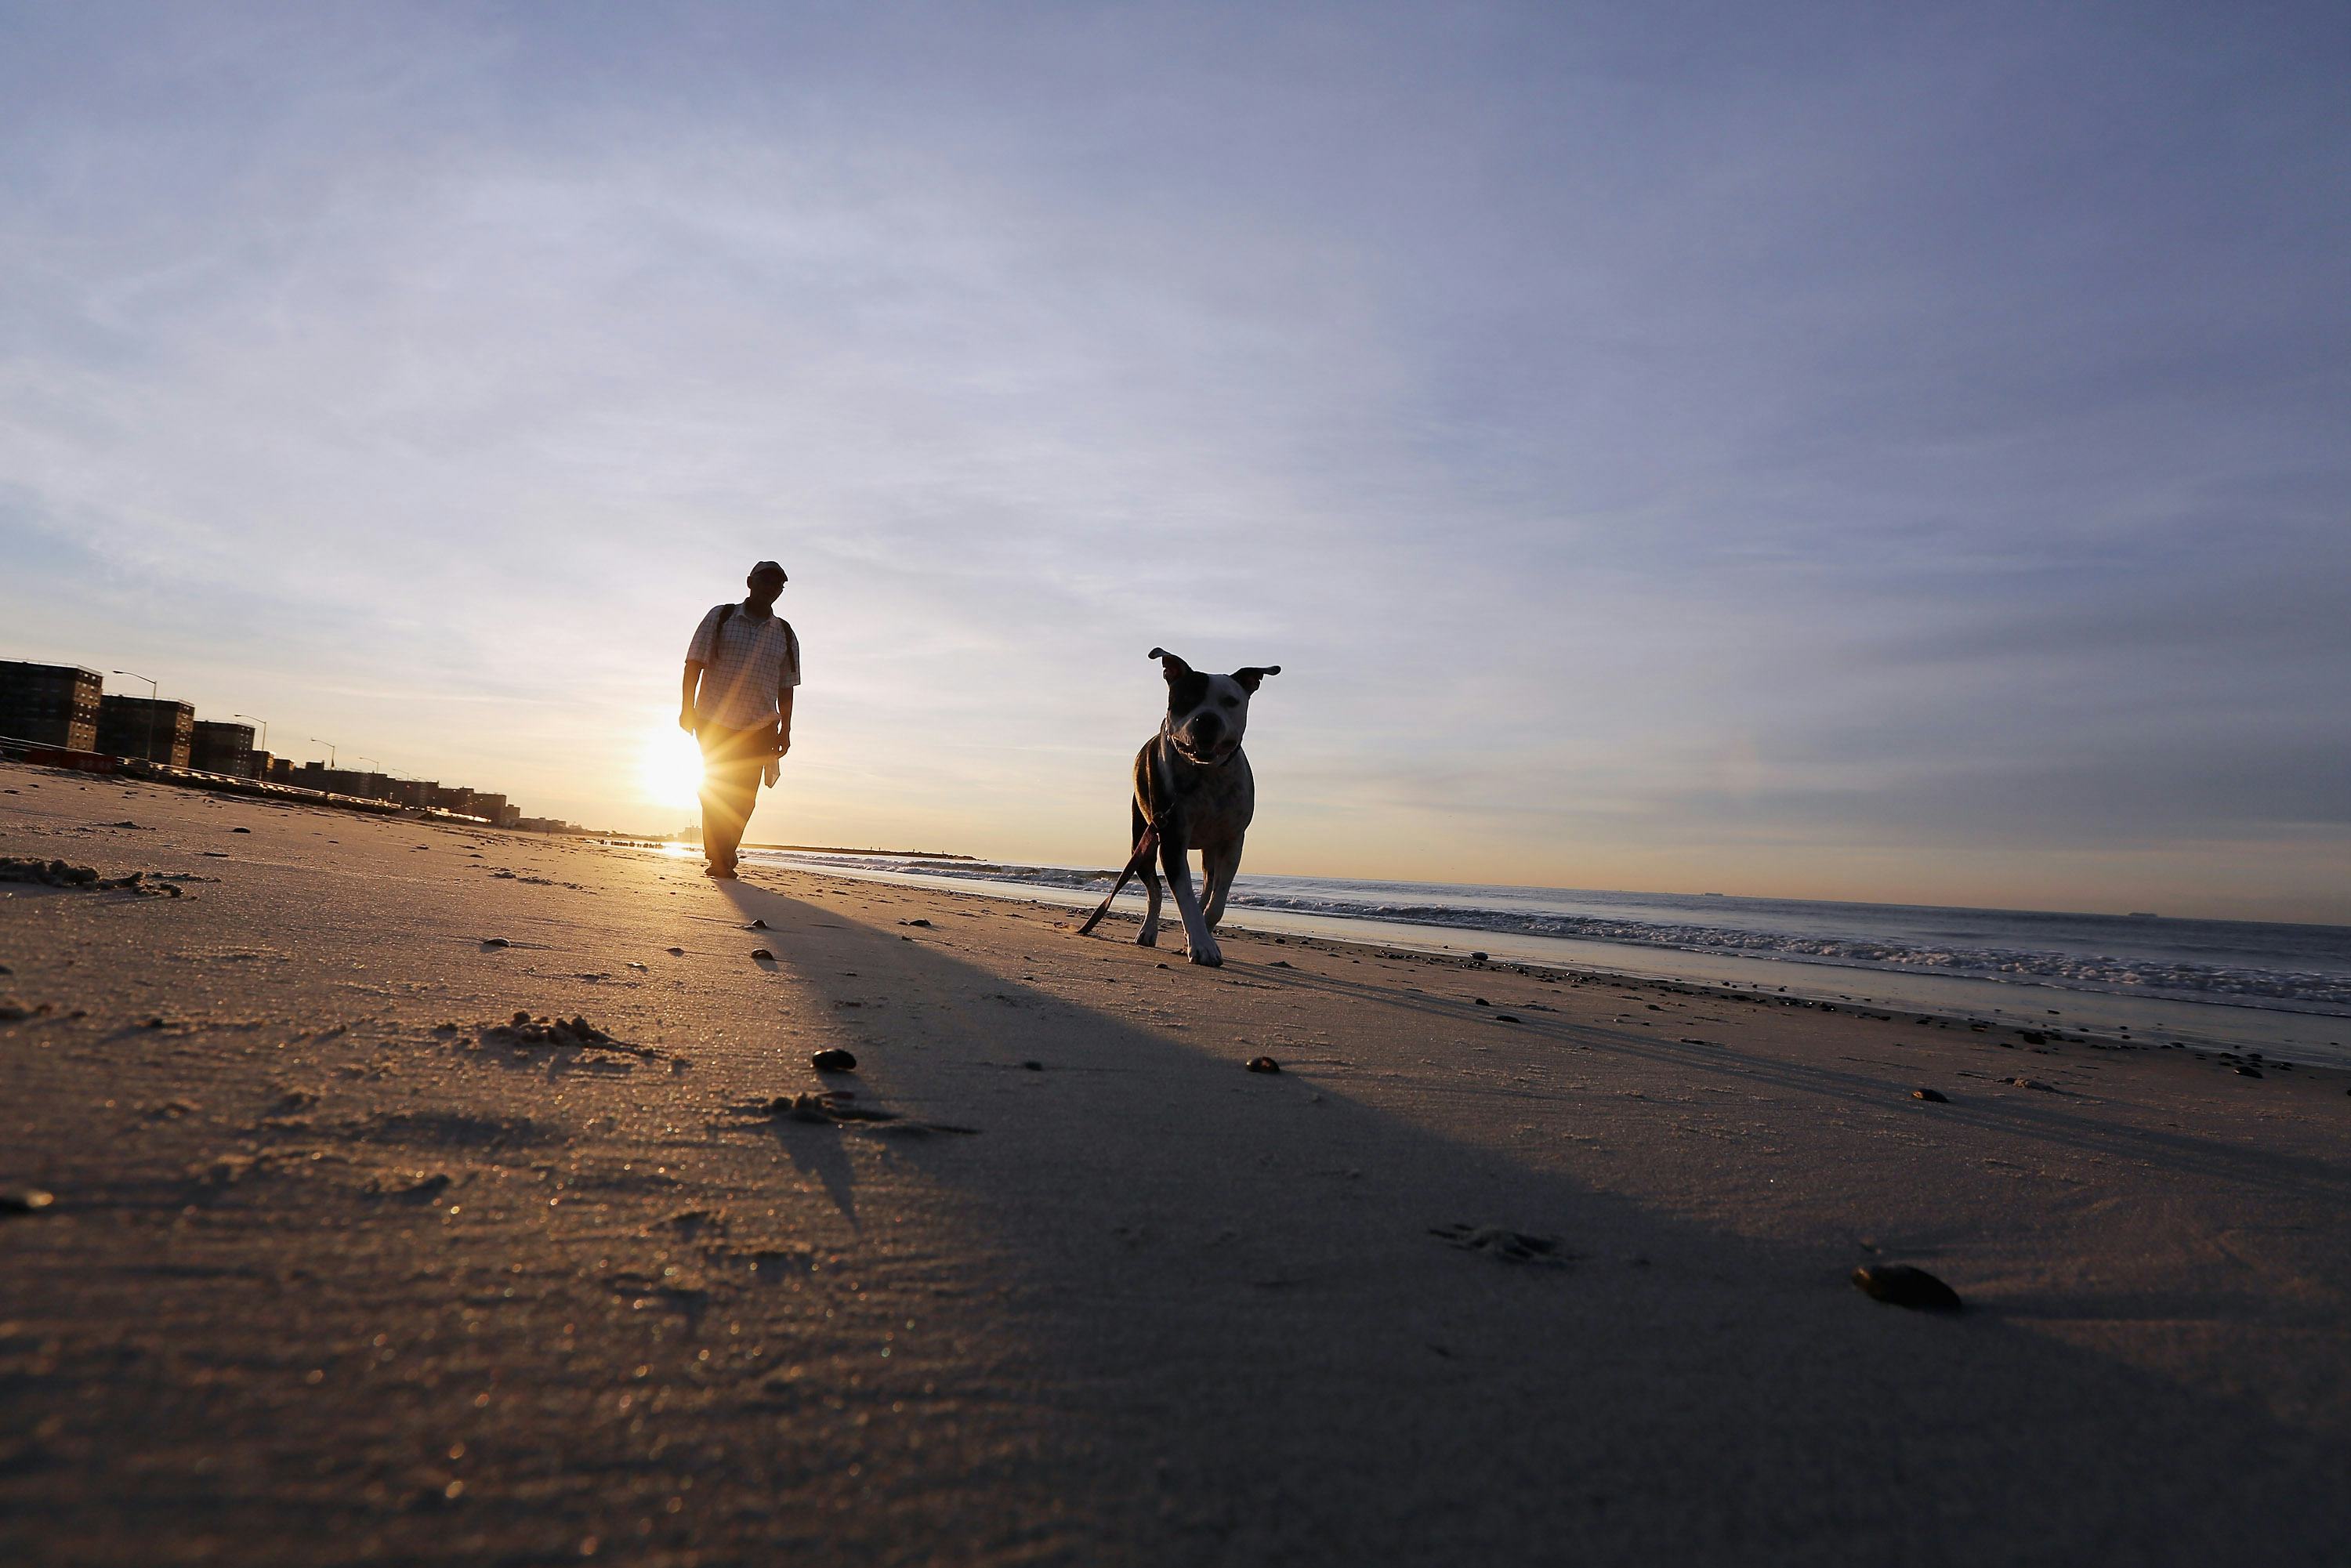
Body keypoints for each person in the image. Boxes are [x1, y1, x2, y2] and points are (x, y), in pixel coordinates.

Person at [679, 560, 800, 878]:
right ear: (750, 581)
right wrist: (685, 707)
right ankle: (719, 857)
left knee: (745, 796)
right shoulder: (721, 617)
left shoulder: (785, 634)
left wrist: (785, 729)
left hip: (760, 725)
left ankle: (724, 851)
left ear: (781, 591)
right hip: (713, 719)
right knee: (715, 787)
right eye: (765, 581)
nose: (770, 588)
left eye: (777, 585)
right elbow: (694, 663)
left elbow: (786, 686)